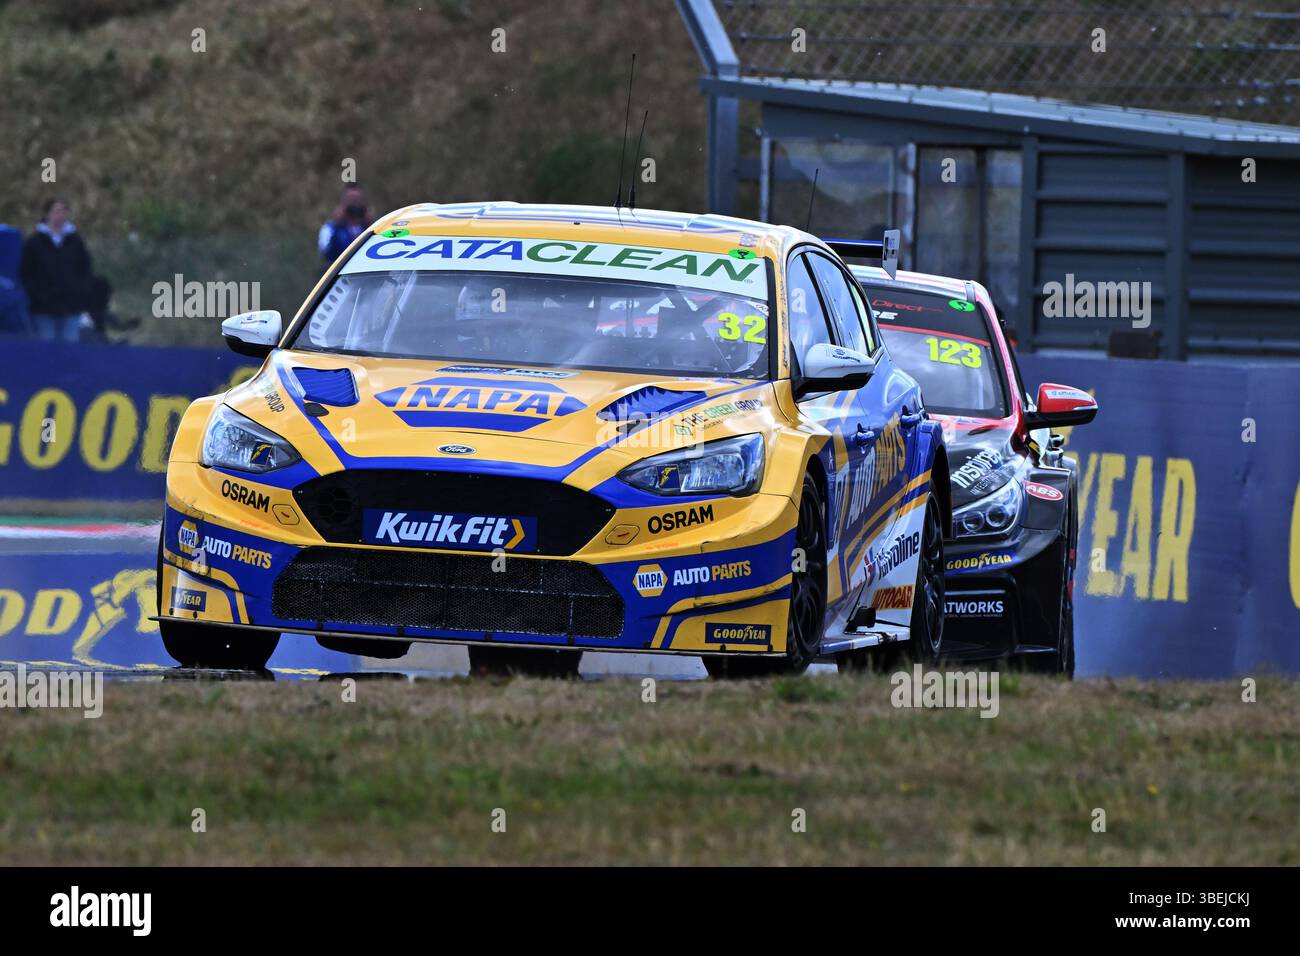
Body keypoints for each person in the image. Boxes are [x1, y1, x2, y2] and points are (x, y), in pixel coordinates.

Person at [21, 199, 93, 342]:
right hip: (43, 307)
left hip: (71, 306)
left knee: (69, 349)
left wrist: (80, 292)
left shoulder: (76, 242)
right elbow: (26, 272)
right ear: (47, 214)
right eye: (55, 211)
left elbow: (85, 269)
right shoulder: (35, 242)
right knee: (46, 349)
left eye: (63, 211)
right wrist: (35, 295)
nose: (59, 215)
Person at [318, 185, 371, 265]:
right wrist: (337, 227)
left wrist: (370, 225)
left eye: (358, 200)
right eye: (352, 201)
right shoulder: (330, 229)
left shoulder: (369, 228)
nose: (355, 205)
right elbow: (326, 254)